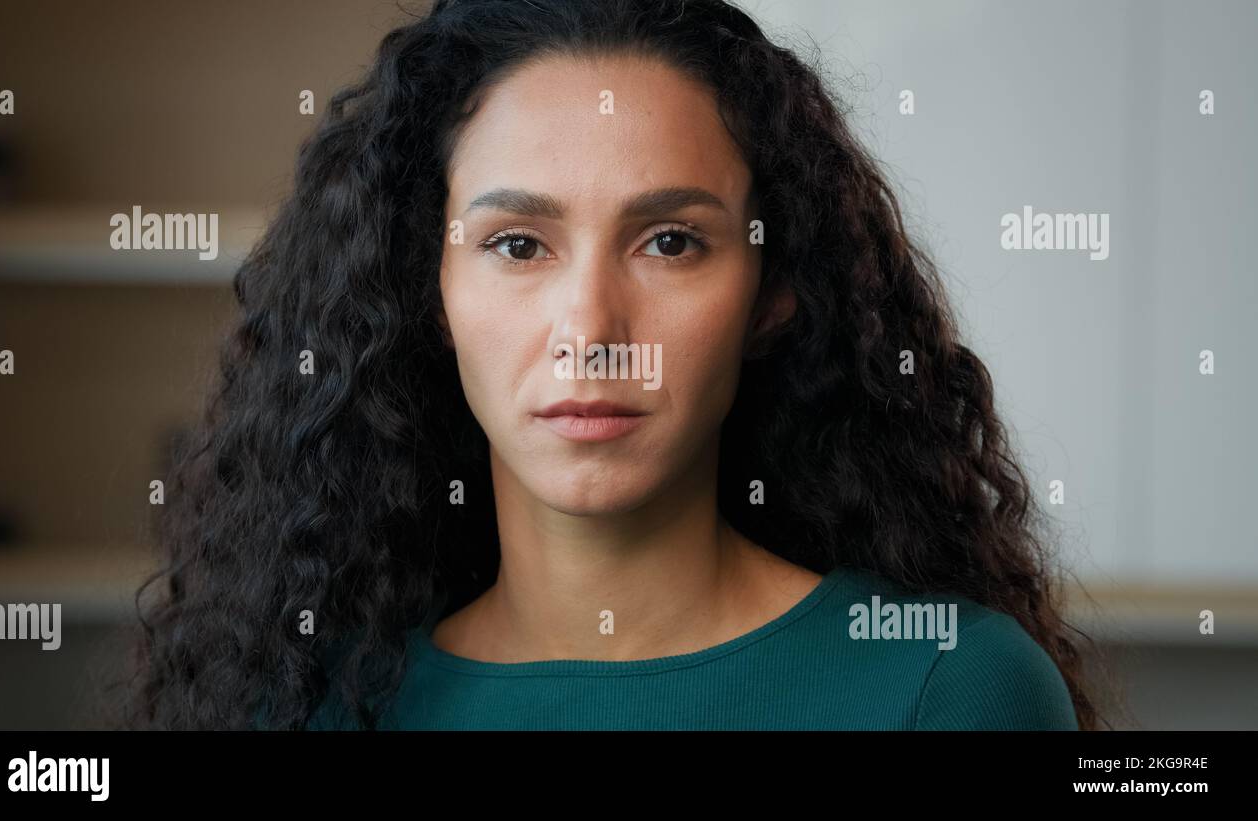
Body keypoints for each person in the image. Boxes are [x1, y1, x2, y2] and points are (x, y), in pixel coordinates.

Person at [124, 0, 1103, 731]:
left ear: (773, 290)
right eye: (517, 244)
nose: (590, 328)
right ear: (428, 291)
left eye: (670, 241)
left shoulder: (951, 688)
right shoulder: (310, 706)